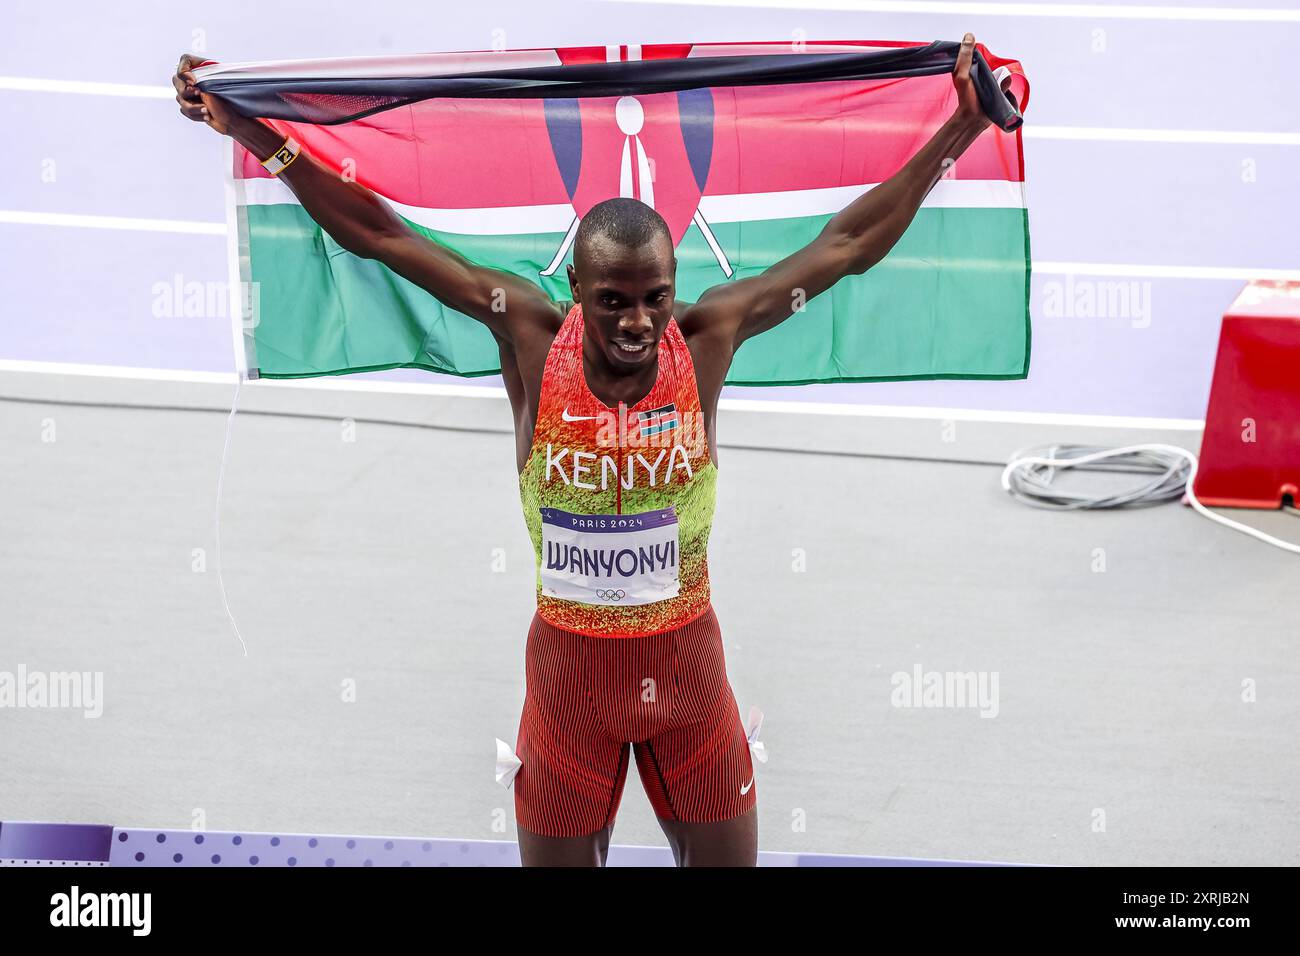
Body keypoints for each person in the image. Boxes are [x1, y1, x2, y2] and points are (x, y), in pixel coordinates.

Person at [174, 34, 1013, 867]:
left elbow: (845, 246)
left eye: (654, 297)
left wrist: (962, 127)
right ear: (575, 289)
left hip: (690, 684)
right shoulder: (529, 336)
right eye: (613, 301)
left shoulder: (709, 335)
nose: (638, 323)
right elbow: (383, 237)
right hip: (569, 694)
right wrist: (257, 134)